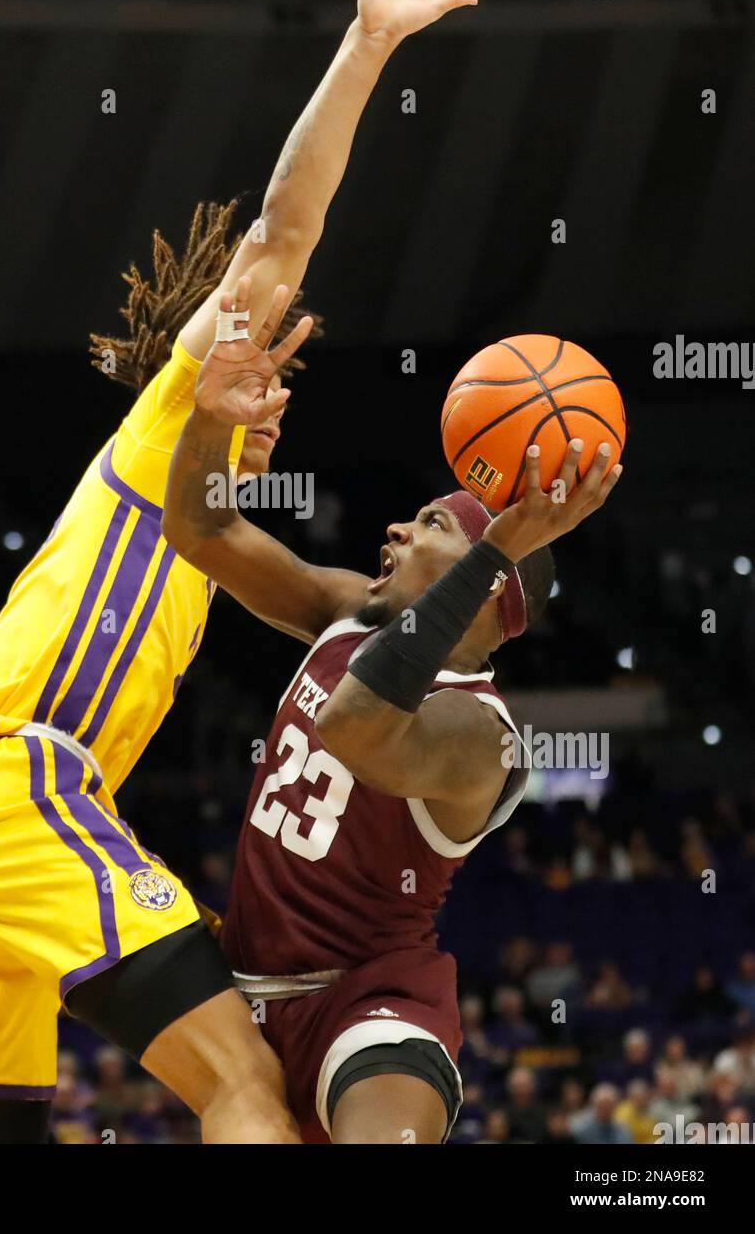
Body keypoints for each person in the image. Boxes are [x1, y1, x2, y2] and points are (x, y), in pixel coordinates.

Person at [0, 0, 476, 1144]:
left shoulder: (205, 545)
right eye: (255, 375)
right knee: (245, 1089)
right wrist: (368, 45)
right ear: (199, 360)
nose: (267, 404)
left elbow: (353, 608)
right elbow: (283, 229)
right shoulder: (163, 424)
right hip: (13, 795)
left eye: (277, 395)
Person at [162, 280, 622, 1143]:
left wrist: (492, 545)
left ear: (491, 590)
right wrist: (210, 416)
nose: (396, 533)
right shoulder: (350, 611)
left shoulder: (478, 737)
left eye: (428, 527)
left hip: (370, 1003)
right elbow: (204, 532)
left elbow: (353, 726)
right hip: (243, 992)